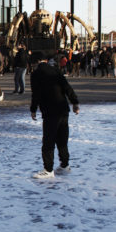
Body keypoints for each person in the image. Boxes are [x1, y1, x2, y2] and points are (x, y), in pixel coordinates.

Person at [29, 51, 80, 179]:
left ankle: (48, 169)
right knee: (62, 138)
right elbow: (67, 87)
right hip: (63, 108)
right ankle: (65, 165)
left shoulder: (36, 74)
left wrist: (33, 109)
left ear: (35, 62)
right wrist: (74, 102)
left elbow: (36, 94)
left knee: (48, 140)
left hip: (50, 110)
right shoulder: (56, 70)